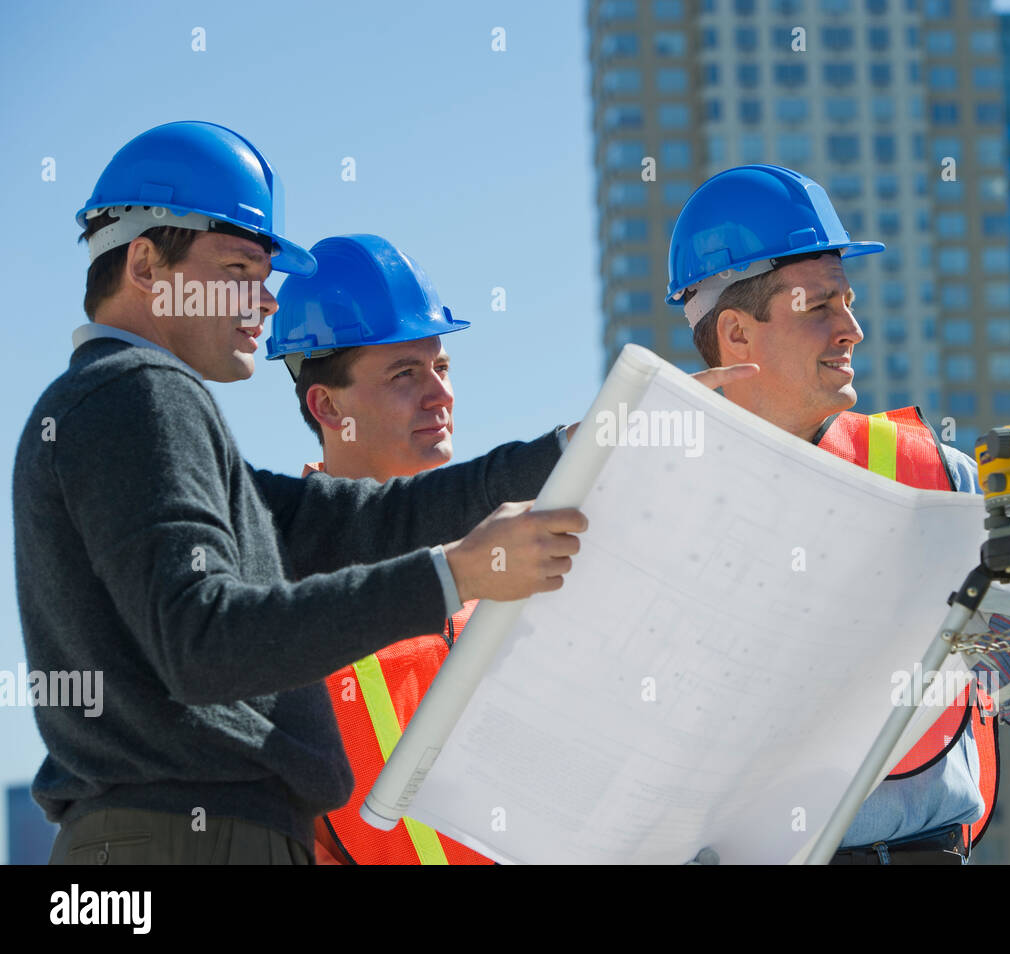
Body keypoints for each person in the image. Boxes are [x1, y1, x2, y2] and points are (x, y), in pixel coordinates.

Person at [14, 122, 587, 865]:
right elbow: (205, 643)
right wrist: (458, 573)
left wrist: (576, 448)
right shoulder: (139, 394)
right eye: (240, 269)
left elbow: (374, 519)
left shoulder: (127, 408)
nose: (266, 303)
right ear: (148, 264)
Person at [665, 163, 1010, 864]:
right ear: (735, 333)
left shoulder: (940, 478)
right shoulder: (655, 511)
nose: (852, 329)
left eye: (848, 302)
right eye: (818, 306)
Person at [266, 233, 493, 864]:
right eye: (405, 374)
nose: (439, 395)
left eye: (441, 368)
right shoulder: (276, 577)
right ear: (328, 404)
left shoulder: (497, 554)